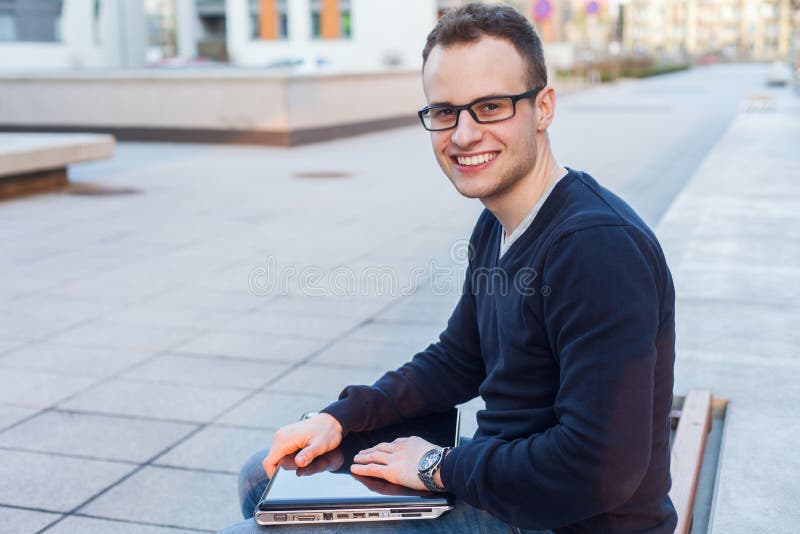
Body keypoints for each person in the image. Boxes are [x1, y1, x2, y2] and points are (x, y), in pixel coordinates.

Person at [219, 3, 677, 533]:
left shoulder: (596, 250)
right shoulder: (498, 223)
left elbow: (601, 469)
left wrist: (436, 468)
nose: (462, 134)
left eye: (489, 107)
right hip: (508, 485)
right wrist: (339, 418)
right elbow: (459, 358)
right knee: (261, 476)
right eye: (444, 111)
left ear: (544, 107)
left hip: (567, 520)